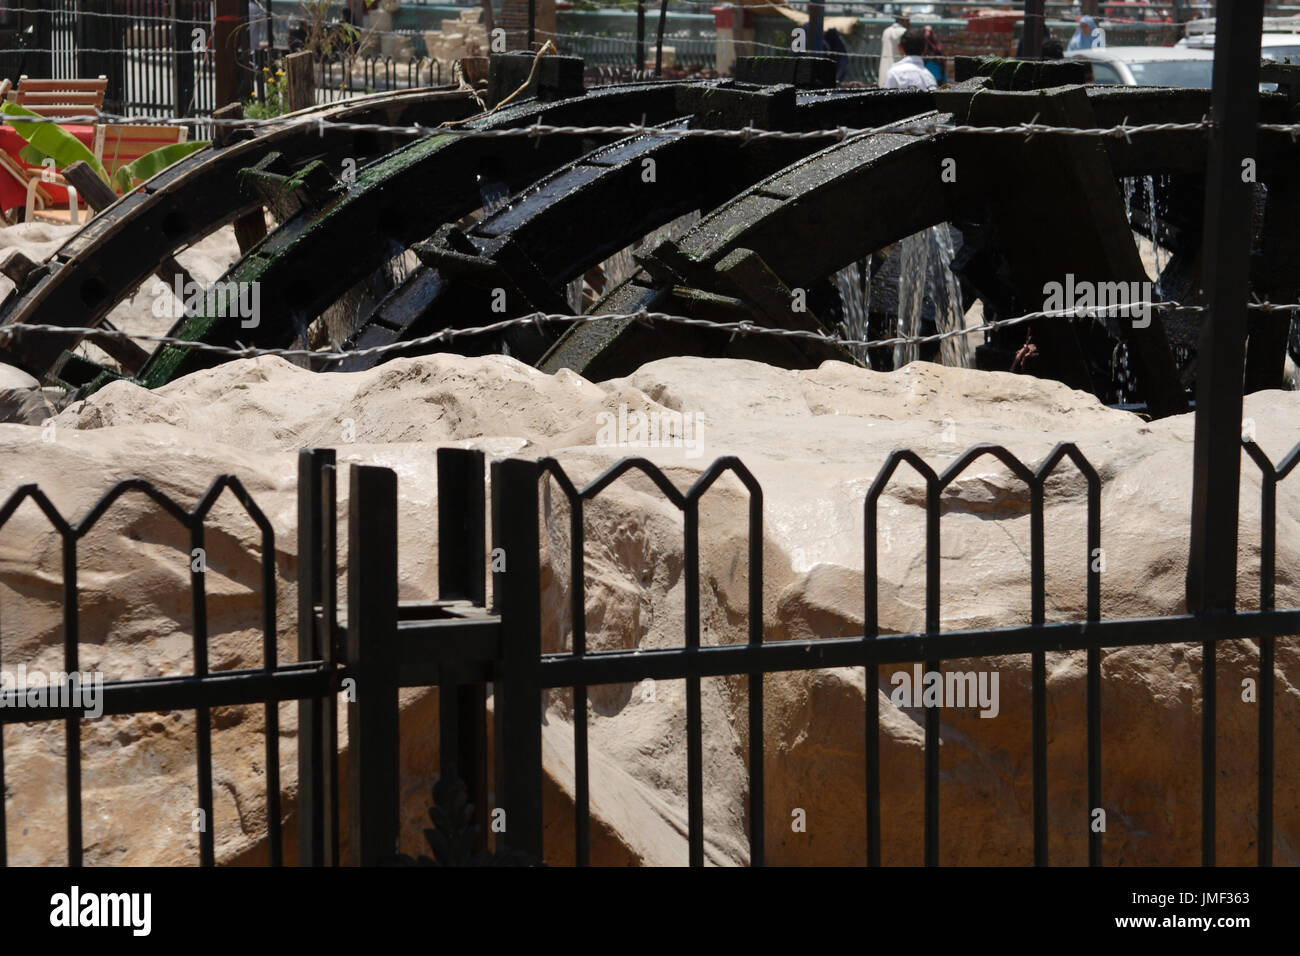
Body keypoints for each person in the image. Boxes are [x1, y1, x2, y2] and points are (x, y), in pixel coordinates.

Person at [878, 9, 910, 87]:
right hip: (899, 72)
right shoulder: (904, 32)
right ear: (901, 20)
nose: (909, 22)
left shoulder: (886, 31)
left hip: (885, 69)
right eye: (907, 20)